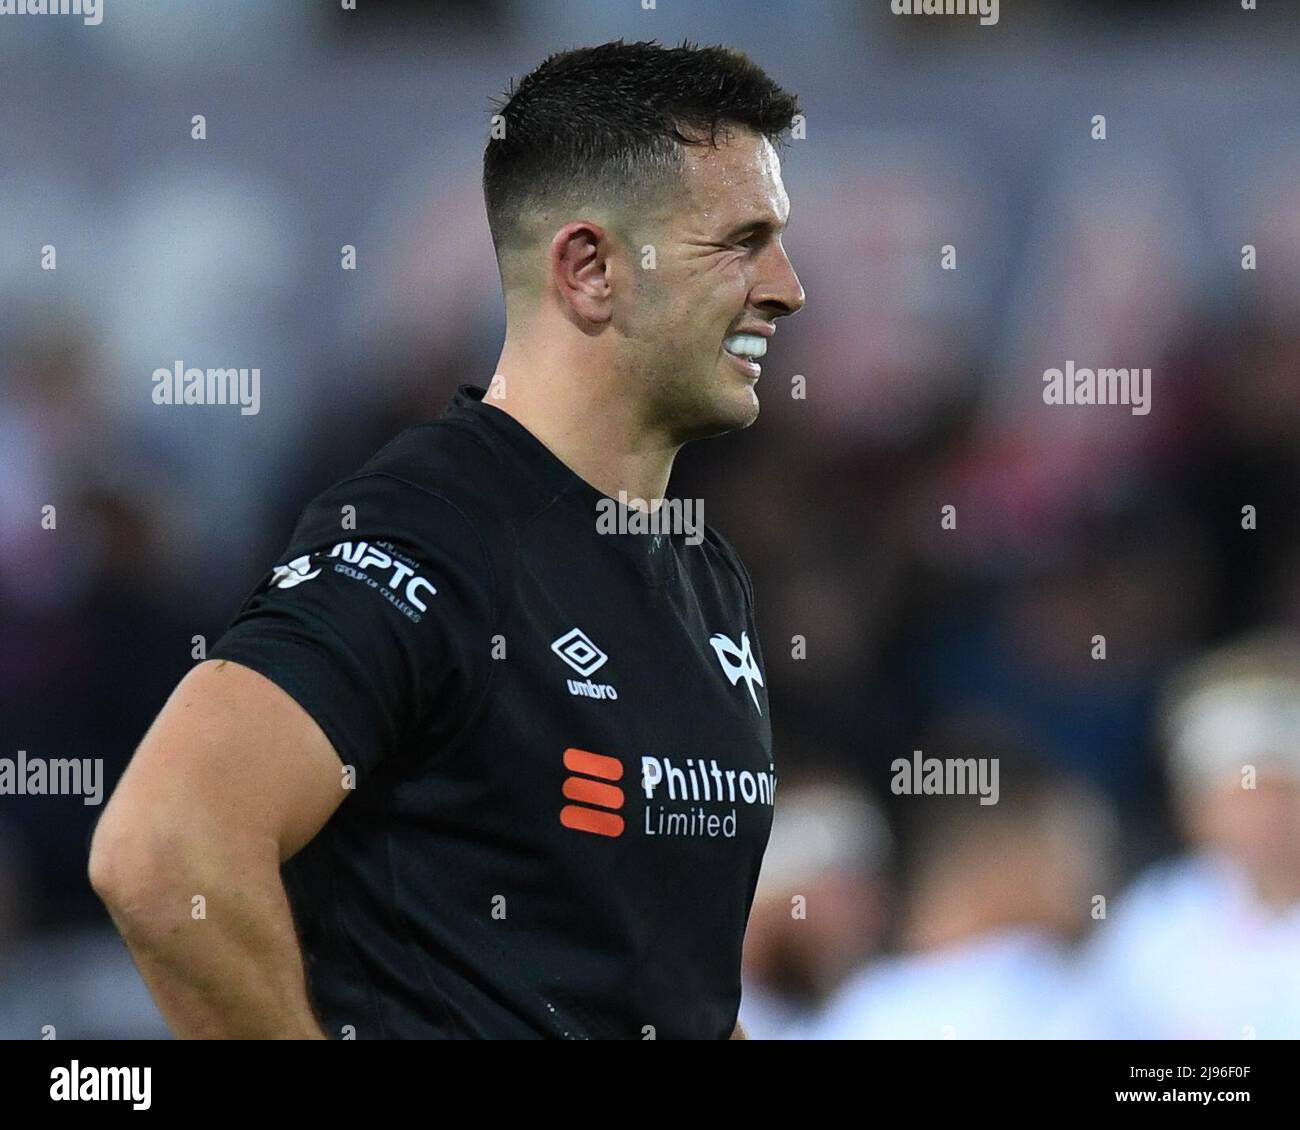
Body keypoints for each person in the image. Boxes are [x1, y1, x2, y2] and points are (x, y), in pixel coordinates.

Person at [88, 39, 805, 1040]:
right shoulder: (428, 530)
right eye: (741, 240)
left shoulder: (705, 576)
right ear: (589, 268)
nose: (786, 286)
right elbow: (163, 849)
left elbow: (665, 991)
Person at [1084, 633, 1300, 1038]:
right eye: (1238, 799)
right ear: (1195, 813)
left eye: (1281, 793)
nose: (1263, 818)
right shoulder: (1157, 916)